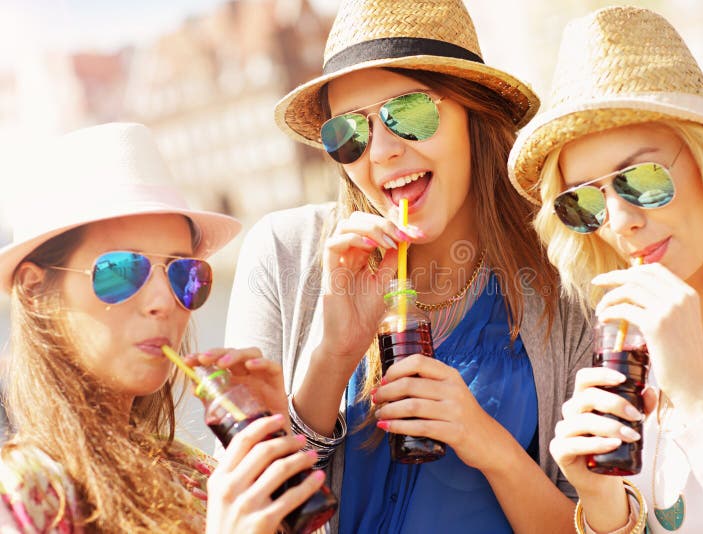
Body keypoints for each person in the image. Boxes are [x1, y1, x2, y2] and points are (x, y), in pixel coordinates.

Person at [225, 0, 593, 532]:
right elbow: (250, 507)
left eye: (410, 113)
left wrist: (488, 443)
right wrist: (333, 357)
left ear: (474, 112)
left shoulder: (565, 274)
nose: (380, 152)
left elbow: (603, 520)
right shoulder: (286, 255)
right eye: (348, 133)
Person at [507, 6, 703, 533]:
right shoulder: (639, 338)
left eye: (640, 178)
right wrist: (602, 503)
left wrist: (698, 397)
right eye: (585, 203)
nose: (620, 221)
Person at [0, 123, 327, 533]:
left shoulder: (196, 475)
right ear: (34, 290)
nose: (163, 302)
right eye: (121, 271)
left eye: (183, 274)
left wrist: (271, 465)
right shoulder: (20, 499)